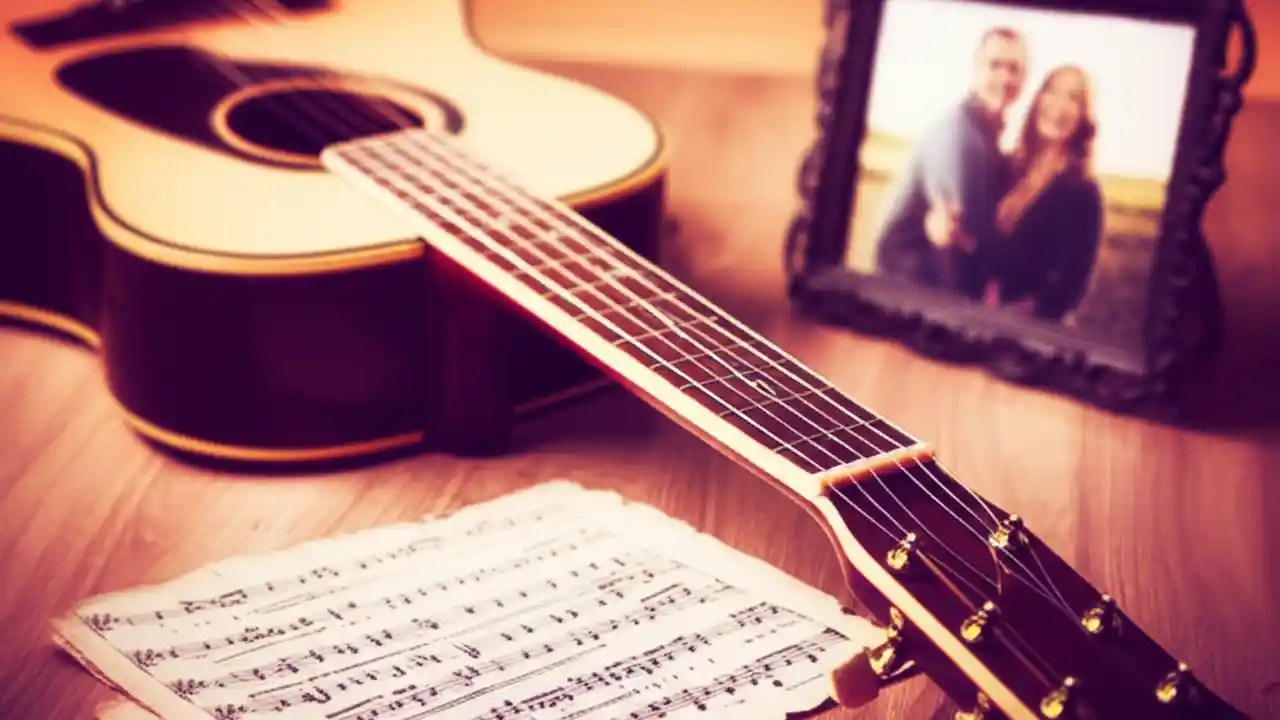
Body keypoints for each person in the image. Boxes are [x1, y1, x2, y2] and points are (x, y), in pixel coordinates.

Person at [927, 66, 1103, 322]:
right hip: (974, 311)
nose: (1059, 105)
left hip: (1026, 333)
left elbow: (1072, 290)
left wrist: (1021, 319)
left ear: (1083, 118)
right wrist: (954, 233)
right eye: (1052, 91)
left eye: (1073, 98)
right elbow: (983, 248)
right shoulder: (1008, 167)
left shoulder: (1083, 192)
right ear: (1038, 99)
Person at [874, 27, 1028, 300]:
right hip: (910, 283)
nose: (1005, 78)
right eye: (994, 65)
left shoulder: (986, 134)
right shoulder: (959, 136)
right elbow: (971, 235)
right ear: (975, 69)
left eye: (1014, 69)